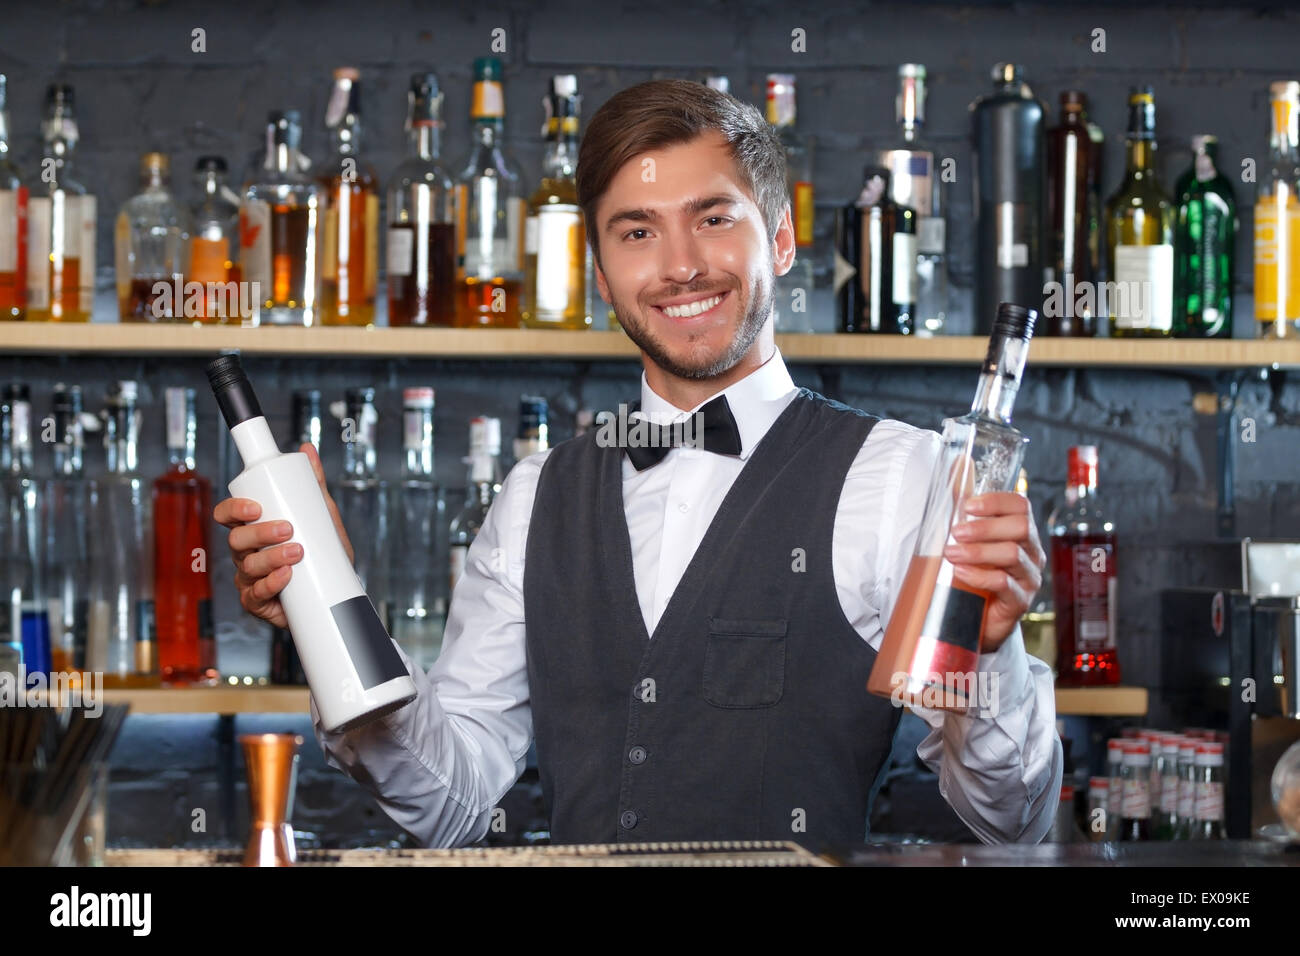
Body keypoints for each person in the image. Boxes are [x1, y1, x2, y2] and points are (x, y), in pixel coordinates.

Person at [214, 78, 1062, 850]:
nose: (681, 263)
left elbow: (1008, 818)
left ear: (782, 238)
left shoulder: (902, 480)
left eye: (715, 217)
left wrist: (992, 653)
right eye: (638, 232)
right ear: (600, 272)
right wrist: (327, 615)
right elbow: (453, 801)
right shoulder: (533, 498)